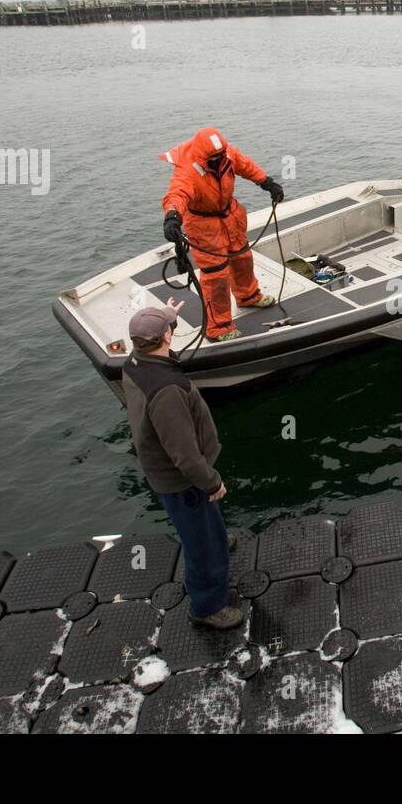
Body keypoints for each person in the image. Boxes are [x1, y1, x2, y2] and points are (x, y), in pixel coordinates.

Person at [123, 300, 242, 629]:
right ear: (166, 338)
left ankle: (220, 540)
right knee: (199, 545)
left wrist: (168, 317)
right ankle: (207, 607)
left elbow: (157, 335)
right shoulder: (166, 391)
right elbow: (184, 454)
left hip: (167, 473)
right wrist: (212, 480)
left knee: (208, 523)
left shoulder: (135, 362)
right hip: (182, 480)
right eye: (168, 329)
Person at [160, 126, 284, 342]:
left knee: (242, 258)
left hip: (231, 217)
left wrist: (266, 182)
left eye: (220, 154)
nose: (218, 159)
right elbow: (177, 193)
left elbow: (245, 165)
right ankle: (218, 327)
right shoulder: (188, 169)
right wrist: (172, 216)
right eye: (213, 156)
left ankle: (248, 296)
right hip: (204, 226)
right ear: (203, 154)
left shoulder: (227, 154)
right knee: (216, 276)